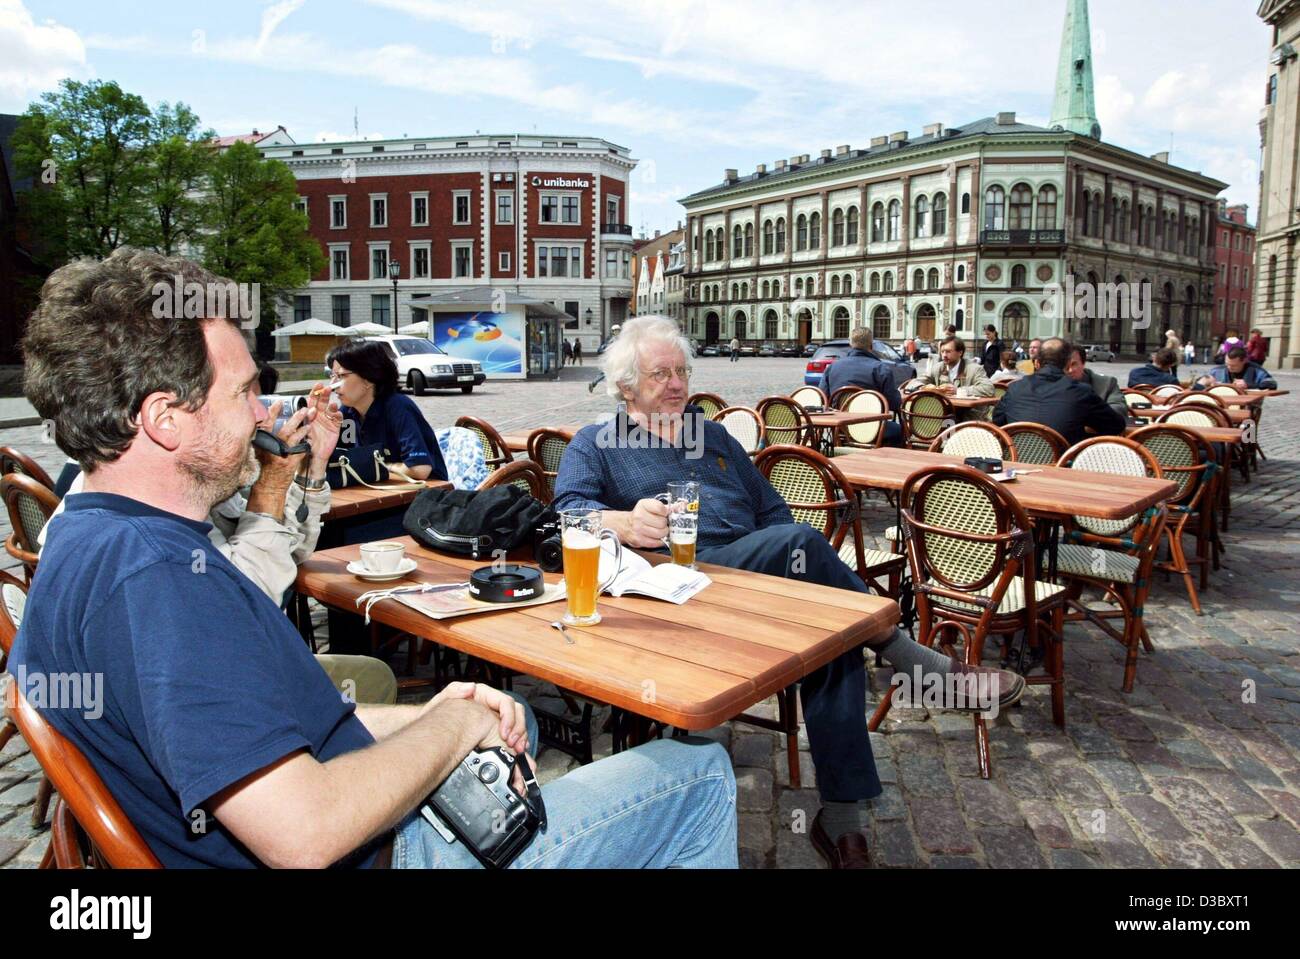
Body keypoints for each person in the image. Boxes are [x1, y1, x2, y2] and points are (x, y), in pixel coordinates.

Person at [13, 247, 737, 869]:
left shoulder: (85, 535)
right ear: (165, 420)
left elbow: (283, 730)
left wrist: (444, 711)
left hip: (325, 801)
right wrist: (446, 728)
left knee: (508, 714)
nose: (264, 414)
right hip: (384, 851)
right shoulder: (161, 582)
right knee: (699, 770)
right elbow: (304, 833)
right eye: (244, 392)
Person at [553, 315, 1024, 869]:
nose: (678, 383)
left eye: (682, 370)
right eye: (661, 374)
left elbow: (771, 508)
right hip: (684, 589)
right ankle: (911, 660)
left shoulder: (714, 434)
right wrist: (623, 522)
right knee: (803, 558)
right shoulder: (597, 443)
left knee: (831, 631)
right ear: (627, 385)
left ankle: (841, 820)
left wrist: (790, 568)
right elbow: (567, 516)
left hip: (759, 579)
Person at [326, 338, 448, 483]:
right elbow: (341, 458)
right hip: (376, 490)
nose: (332, 384)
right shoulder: (347, 412)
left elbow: (420, 469)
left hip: (423, 495)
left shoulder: (398, 406)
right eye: (332, 375)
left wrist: (380, 466)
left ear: (369, 378)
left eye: (341, 376)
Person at [993, 338, 1126, 445]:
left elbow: (997, 420)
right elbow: (1116, 425)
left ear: (1037, 364)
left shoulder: (1015, 388)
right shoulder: (1080, 392)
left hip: (1018, 465)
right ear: (1068, 365)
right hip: (1063, 467)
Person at [816, 326, 903, 445]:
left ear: (851, 345)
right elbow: (894, 403)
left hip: (840, 427)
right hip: (873, 429)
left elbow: (822, 399)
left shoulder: (832, 368)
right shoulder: (881, 369)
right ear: (871, 346)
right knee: (899, 430)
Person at [919, 335, 995, 421]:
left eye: (948, 352)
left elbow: (989, 389)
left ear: (960, 353)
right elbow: (916, 382)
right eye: (942, 351)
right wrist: (924, 387)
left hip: (970, 419)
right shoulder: (938, 367)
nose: (944, 355)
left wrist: (959, 390)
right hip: (944, 417)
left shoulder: (974, 368)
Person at [1065, 345, 1127, 420]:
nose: (1070, 370)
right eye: (1065, 365)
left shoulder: (1107, 384)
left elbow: (1119, 409)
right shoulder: (1051, 383)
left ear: (1083, 364)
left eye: (1074, 364)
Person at [1196, 346, 1279, 391]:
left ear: (1244, 361)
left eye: (1233, 365)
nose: (1229, 367)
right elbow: (1197, 385)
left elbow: (1272, 384)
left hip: (1248, 407)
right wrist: (1203, 381)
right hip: (1222, 406)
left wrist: (1249, 385)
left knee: (1248, 422)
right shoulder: (1217, 370)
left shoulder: (1256, 370)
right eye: (1227, 364)